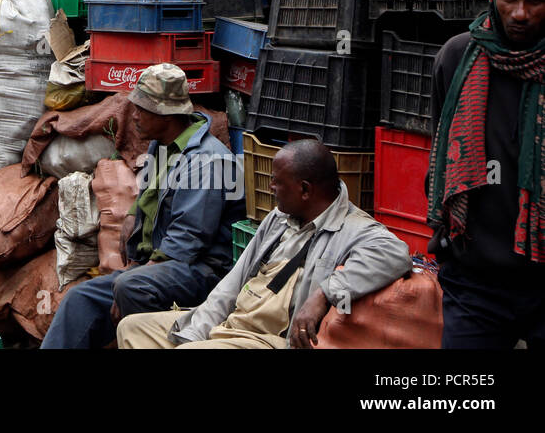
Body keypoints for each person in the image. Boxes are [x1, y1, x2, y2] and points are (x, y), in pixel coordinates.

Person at [118, 140, 413, 349]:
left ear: (305, 190)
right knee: (132, 328)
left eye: (277, 183)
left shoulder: (353, 227)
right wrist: (197, 330)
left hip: (265, 339)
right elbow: (232, 284)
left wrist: (325, 293)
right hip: (235, 323)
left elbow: (395, 253)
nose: (270, 188)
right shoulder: (278, 218)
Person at [41, 64, 245, 349]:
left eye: (142, 109)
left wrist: (136, 274)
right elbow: (148, 194)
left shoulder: (208, 162)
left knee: (130, 287)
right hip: (165, 265)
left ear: (166, 114)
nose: (134, 116)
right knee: (80, 298)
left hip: (202, 270)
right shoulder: (161, 145)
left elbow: (188, 240)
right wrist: (134, 215)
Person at [428, 0, 545, 348]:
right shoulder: (457, 58)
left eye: (534, 1)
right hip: (476, 279)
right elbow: (440, 155)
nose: (520, 13)